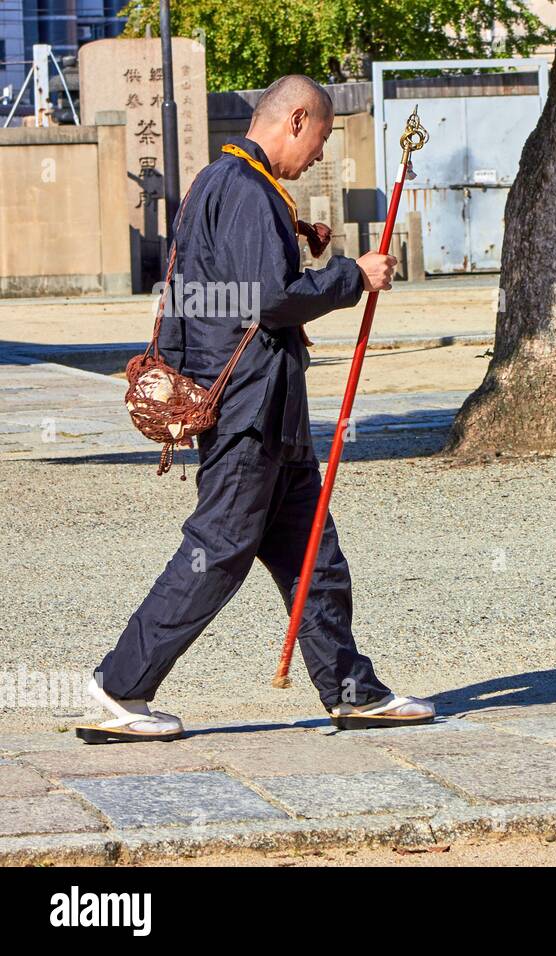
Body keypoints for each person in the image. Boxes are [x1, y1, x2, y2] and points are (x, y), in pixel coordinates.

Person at [77, 75, 434, 743]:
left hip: (272, 413)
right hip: (247, 412)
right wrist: (353, 275)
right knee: (217, 551)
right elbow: (267, 298)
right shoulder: (243, 189)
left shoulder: (224, 182)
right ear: (296, 119)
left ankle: (351, 690)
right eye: (322, 136)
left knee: (313, 558)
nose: (322, 154)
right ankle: (122, 684)